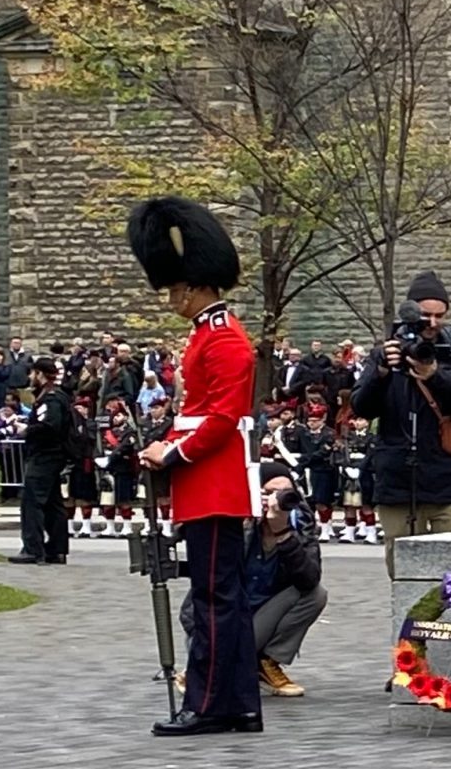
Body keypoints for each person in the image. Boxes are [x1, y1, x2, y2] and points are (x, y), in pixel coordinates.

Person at [130, 195, 263, 738]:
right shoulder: (207, 334)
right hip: (202, 482)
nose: (170, 299)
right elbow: (194, 414)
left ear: (195, 284)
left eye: (173, 289)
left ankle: (209, 705)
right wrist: (163, 446)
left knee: (214, 600)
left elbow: (223, 419)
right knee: (218, 597)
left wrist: (174, 453)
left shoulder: (226, 339)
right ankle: (234, 703)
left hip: (214, 484)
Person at [351, 272, 451, 577]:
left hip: (450, 480)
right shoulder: (386, 353)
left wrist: (434, 376)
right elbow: (361, 407)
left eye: (440, 315)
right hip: (398, 481)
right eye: (426, 315)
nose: (433, 323)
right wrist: (382, 373)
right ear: (412, 312)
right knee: (402, 571)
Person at [245, 463, 326, 699]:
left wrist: (283, 535)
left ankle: (266, 661)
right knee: (222, 676)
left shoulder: (301, 522)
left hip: (266, 612)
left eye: (285, 492)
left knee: (316, 595)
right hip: (226, 614)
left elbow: (309, 580)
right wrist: (246, 522)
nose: (277, 499)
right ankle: (208, 663)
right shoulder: (237, 519)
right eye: (270, 492)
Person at [10, 359, 76, 564]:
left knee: (32, 501)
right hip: (51, 455)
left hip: (46, 455)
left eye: (33, 374)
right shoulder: (53, 397)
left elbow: (50, 425)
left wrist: (26, 430)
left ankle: (33, 548)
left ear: (40, 374)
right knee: (52, 502)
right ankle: (56, 548)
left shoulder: (52, 399)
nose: (30, 378)